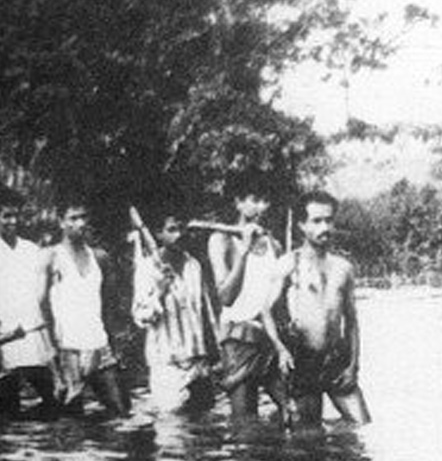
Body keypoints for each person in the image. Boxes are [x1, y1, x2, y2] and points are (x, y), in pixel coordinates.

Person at [264, 190, 371, 429]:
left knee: (362, 425)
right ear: (302, 225)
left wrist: (353, 366)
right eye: (317, 221)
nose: (325, 227)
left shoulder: (343, 268)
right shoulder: (288, 264)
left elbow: (352, 322)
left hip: (336, 360)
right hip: (303, 361)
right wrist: (280, 349)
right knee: (308, 437)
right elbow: (266, 312)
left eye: (329, 220)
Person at [207, 172, 288, 423]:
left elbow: (277, 300)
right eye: (254, 200)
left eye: (265, 200)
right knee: (246, 423)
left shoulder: (274, 245)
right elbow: (225, 297)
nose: (261, 207)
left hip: (269, 337)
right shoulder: (221, 240)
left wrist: (283, 342)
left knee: (293, 411)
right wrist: (244, 250)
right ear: (238, 203)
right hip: (238, 341)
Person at [40, 195, 128, 417]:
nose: (80, 223)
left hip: (98, 345)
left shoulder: (100, 257)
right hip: (67, 349)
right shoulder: (51, 257)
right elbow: (42, 308)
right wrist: (51, 352)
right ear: (61, 221)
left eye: (83, 217)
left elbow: (108, 306)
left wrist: (115, 347)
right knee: (72, 423)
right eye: (73, 218)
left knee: (121, 413)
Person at [132, 207, 215, 411]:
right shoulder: (148, 268)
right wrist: (160, 291)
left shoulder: (193, 265)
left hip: (198, 361)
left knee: (205, 424)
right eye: (171, 230)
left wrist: (210, 356)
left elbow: (204, 313)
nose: (179, 235)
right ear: (159, 234)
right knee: (172, 425)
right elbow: (141, 317)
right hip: (167, 365)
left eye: (181, 228)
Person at [0, 187, 57, 417]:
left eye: (15, 215)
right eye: (6, 216)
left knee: (51, 401)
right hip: (4, 335)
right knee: (9, 407)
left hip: (32, 332)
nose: (12, 221)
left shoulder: (31, 250)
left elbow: (42, 296)